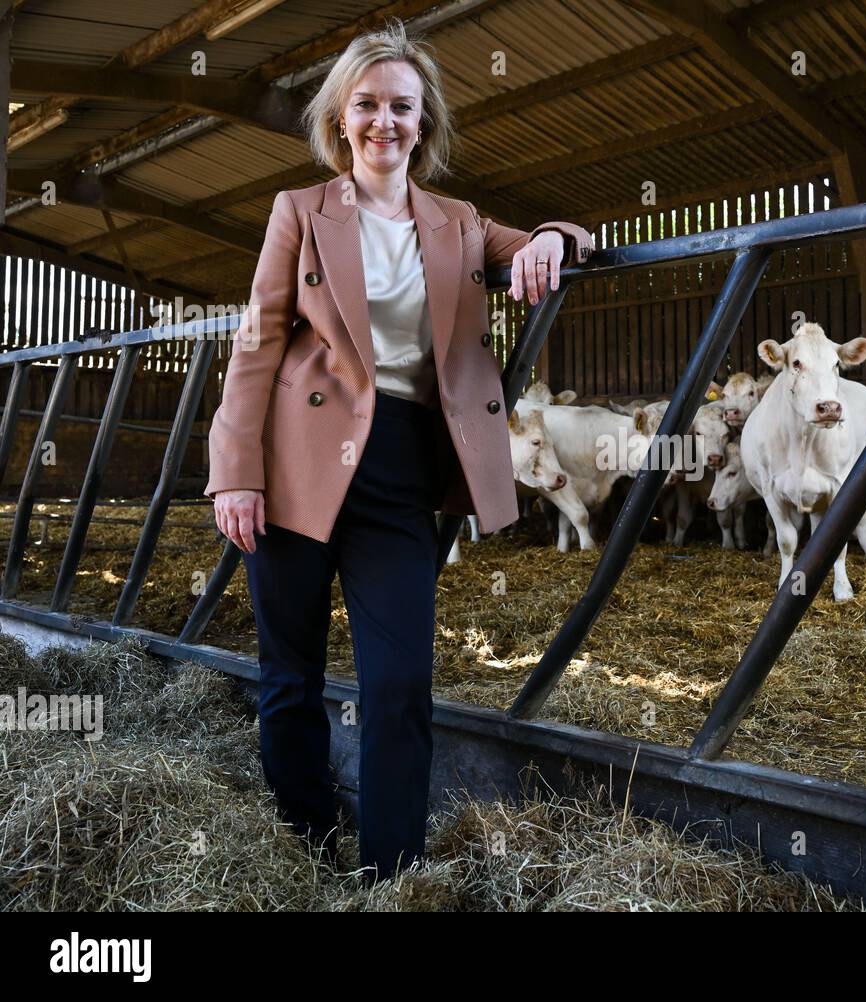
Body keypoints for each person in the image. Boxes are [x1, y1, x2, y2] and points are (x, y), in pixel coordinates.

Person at [203, 19, 593, 883]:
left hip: (403, 473)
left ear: (425, 122)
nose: (385, 121)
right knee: (291, 677)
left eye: (403, 108)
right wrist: (234, 471)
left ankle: (391, 878)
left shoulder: (456, 223)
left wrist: (552, 241)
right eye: (368, 105)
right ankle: (306, 848)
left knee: (398, 685)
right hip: (293, 467)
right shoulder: (300, 213)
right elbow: (258, 343)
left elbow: (552, 239)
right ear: (342, 119)